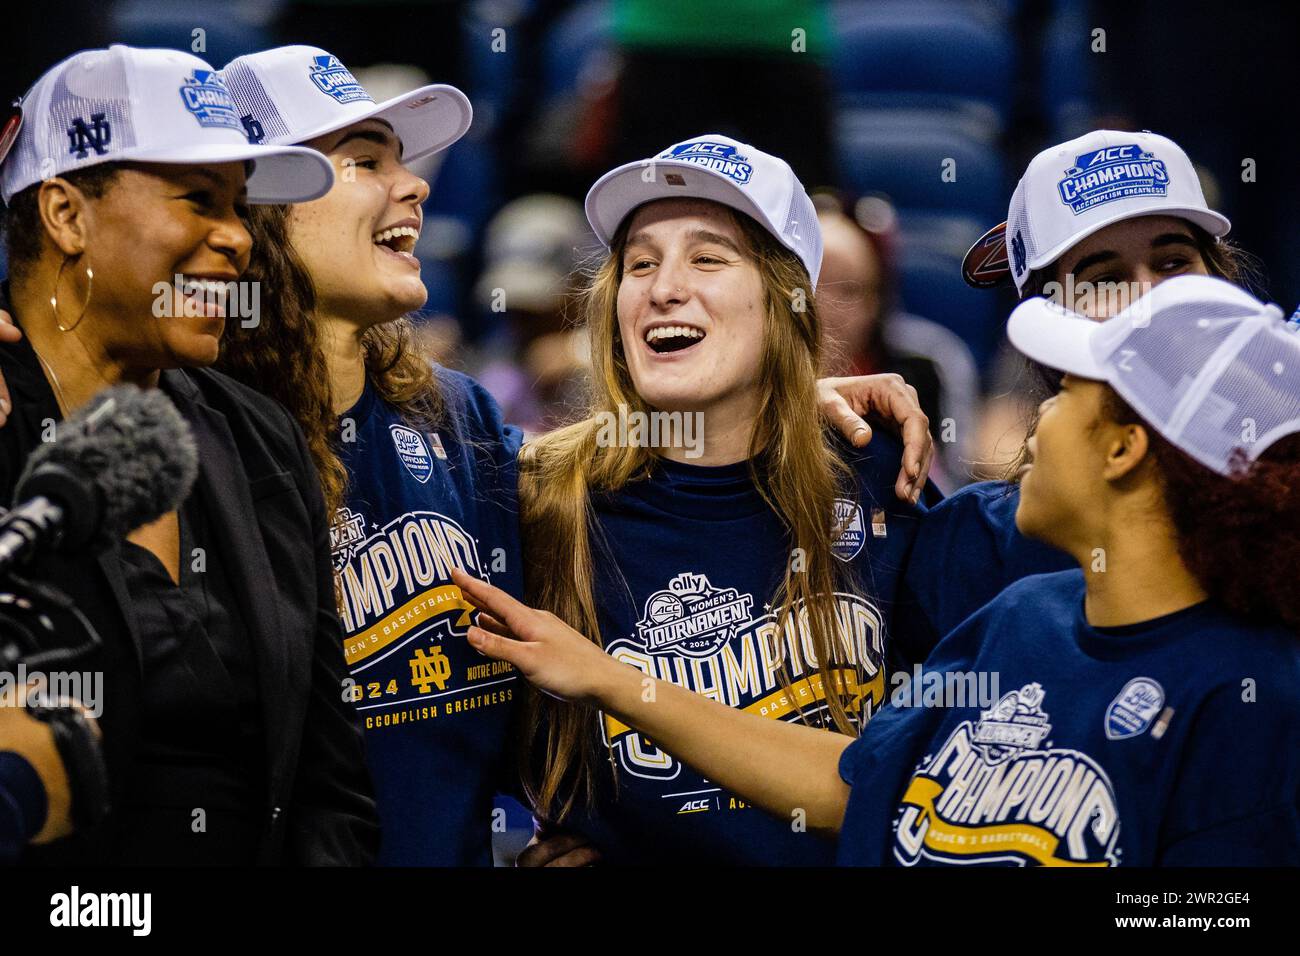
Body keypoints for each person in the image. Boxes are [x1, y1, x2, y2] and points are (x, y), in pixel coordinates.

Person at [211, 51, 936, 866]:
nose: (415, 185)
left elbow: (902, 784)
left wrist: (778, 402)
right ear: (254, 205)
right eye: (366, 162)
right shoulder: (197, 436)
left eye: (708, 258)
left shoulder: (460, 423)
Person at [452, 274, 1300, 866]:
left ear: (1123, 448)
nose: (1041, 408)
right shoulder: (1016, 621)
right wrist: (609, 682)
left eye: (1071, 390)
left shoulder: (1252, 690)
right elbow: (851, 784)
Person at [496, 134, 941, 865]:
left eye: (707, 258)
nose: (664, 287)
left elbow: (931, 779)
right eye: (640, 262)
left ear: (785, 301)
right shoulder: (543, 503)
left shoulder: (876, 474)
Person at [0, 45, 378, 865]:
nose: (239, 238)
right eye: (199, 200)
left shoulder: (258, 437)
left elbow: (327, 779)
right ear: (66, 215)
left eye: (241, 206)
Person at [897, 129, 1259, 660]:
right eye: (1106, 280)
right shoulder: (978, 544)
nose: (1149, 301)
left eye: (1173, 263)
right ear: (1044, 332)